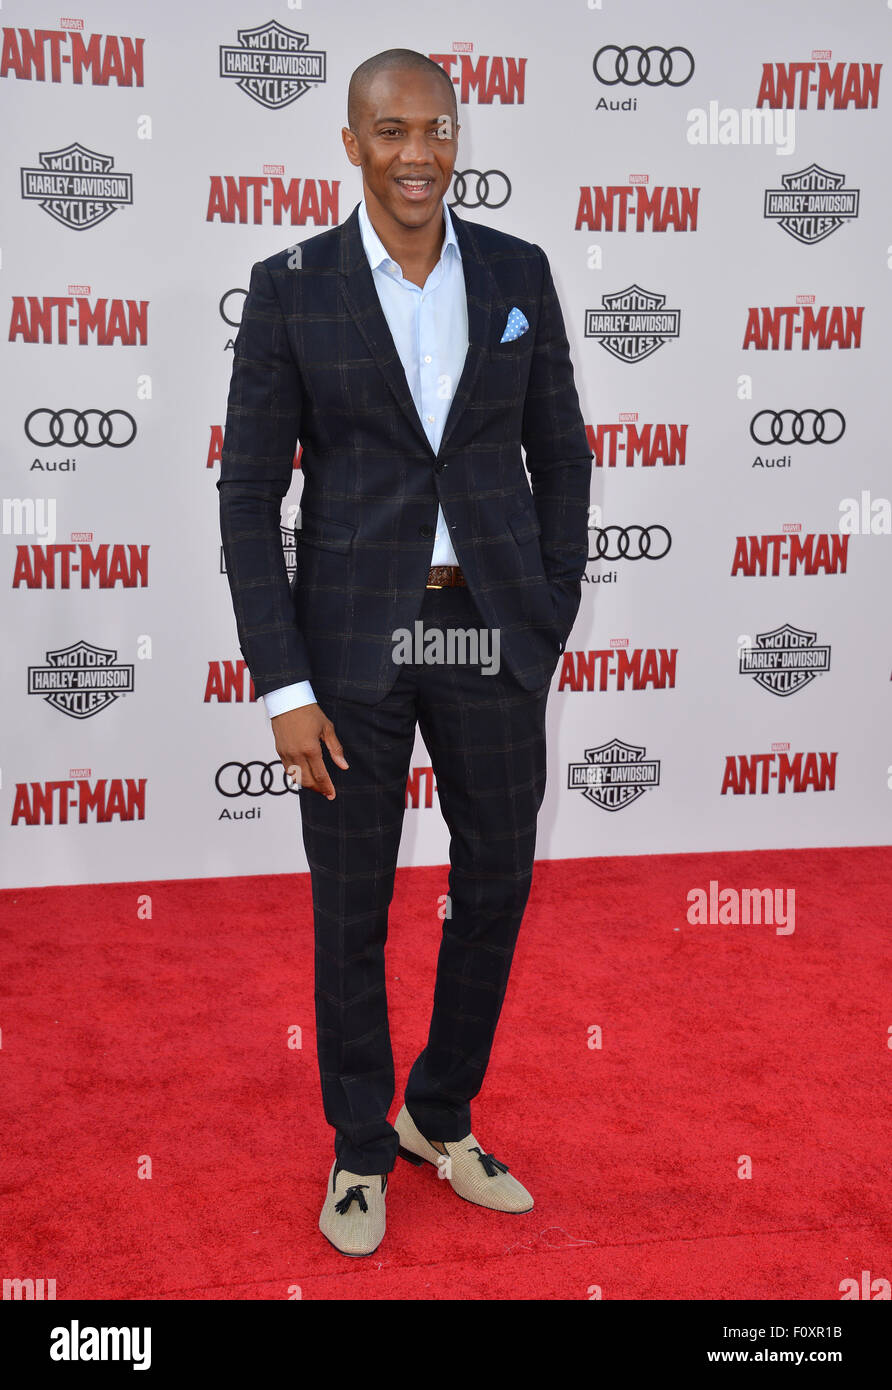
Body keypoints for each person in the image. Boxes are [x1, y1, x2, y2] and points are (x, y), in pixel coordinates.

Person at [218, 47, 592, 1257]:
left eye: (436, 128)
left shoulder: (519, 271)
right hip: (348, 647)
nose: (418, 152)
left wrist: (544, 612)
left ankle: (440, 1111)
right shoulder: (291, 287)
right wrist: (283, 685)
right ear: (350, 143)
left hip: (489, 633)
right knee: (352, 906)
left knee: (494, 883)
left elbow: (564, 458)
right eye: (391, 131)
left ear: (456, 136)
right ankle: (357, 1147)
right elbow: (246, 496)